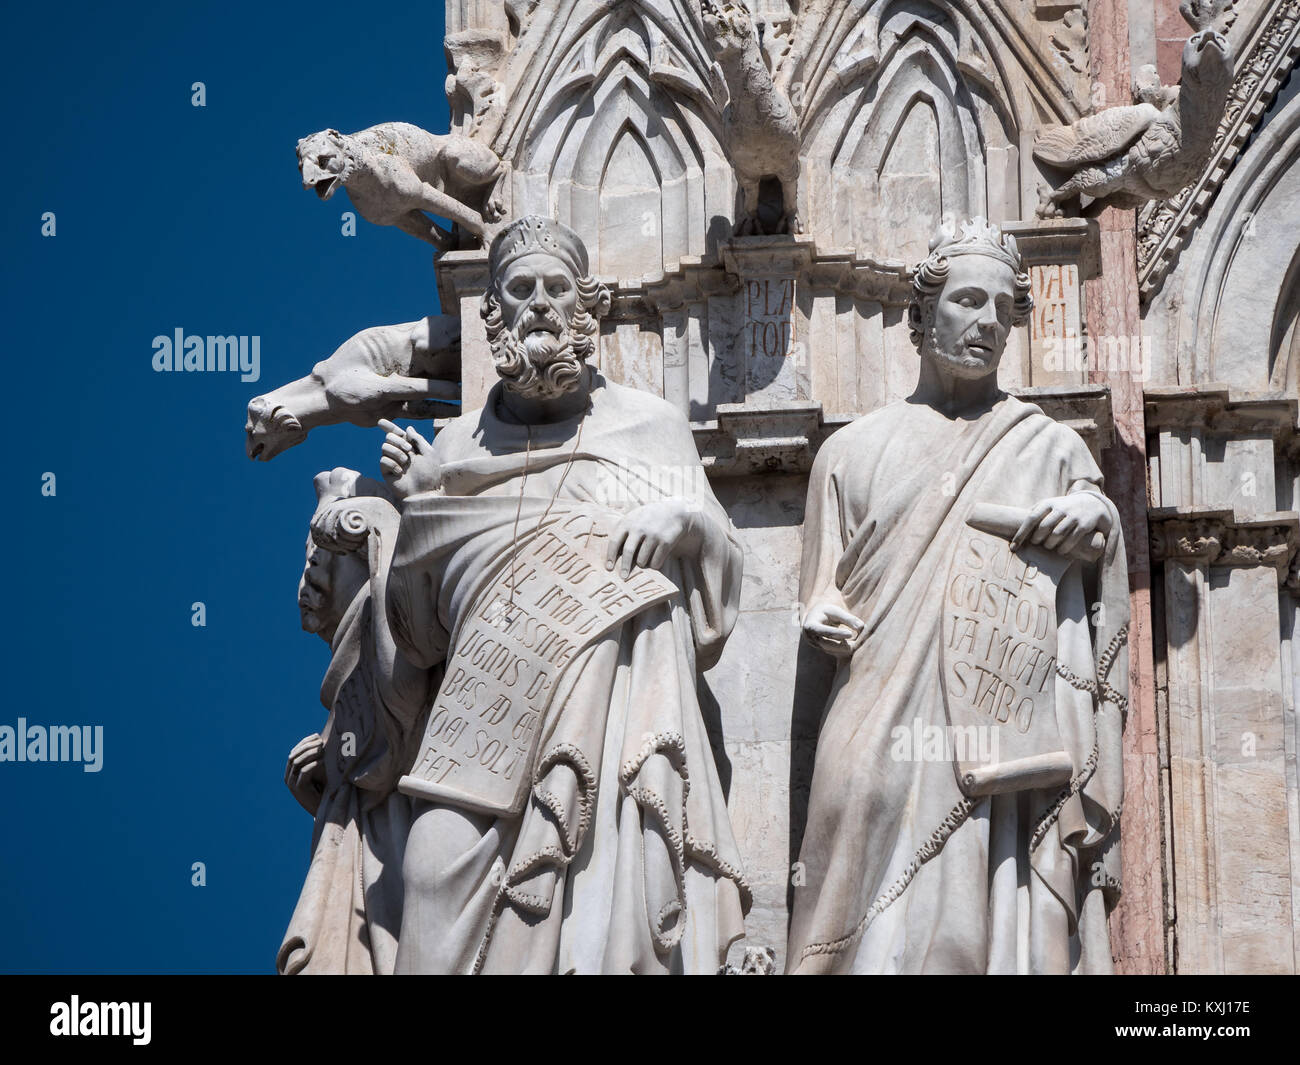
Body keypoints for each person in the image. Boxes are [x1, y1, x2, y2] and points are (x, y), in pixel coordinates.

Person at [380, 215, 751, 973]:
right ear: (495, 316)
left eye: (557, 289)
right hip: (478, 709)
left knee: (607, 898)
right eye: (520, 289)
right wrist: (420, 513)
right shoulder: (453, 453)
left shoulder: (649, 427)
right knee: (428, 875)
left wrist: (683, 520)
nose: (540, 304)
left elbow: (722, 587)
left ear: (587, 310)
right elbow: (417, 641)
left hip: (609, 698)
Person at [787, 217, 1129, 974]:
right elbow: (816, 592)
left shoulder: (1049, 447)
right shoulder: (848, 452)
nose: (987, 324)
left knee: (967, 934)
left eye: (1004, 310)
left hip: (998, 735)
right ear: (920, 312)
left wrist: (1096, 516)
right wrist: (817, 612)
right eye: (969, 301)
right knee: (852, 932)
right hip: (873, 726)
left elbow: (1102, 570)